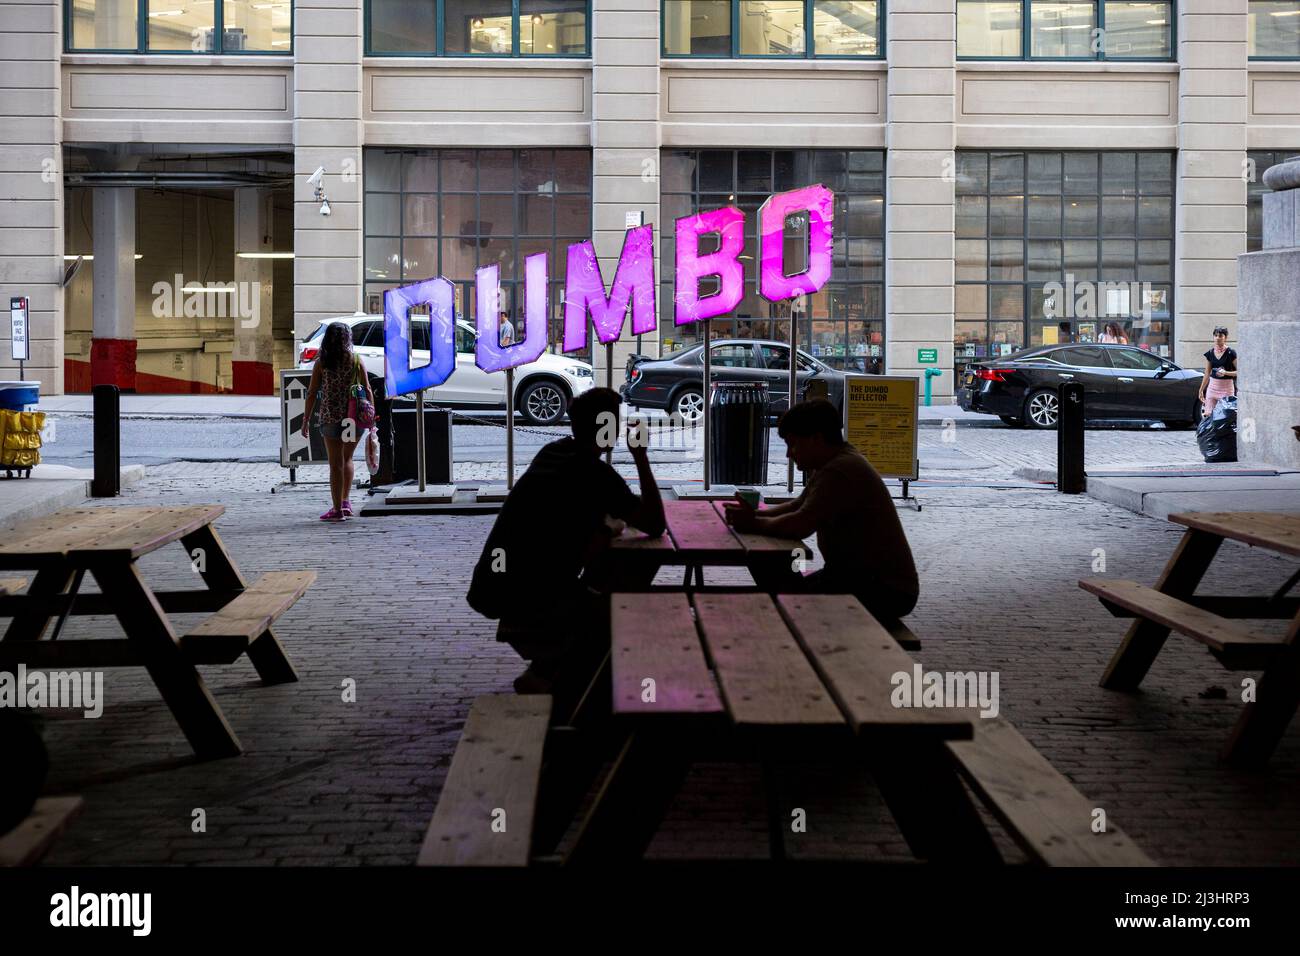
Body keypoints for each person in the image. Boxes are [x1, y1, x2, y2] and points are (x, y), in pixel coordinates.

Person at [467, 388, 666, 703]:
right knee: (622, 606)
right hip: (526, 599)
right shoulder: (595, 473)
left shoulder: (554, 452)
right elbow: (655, 523)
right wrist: (640, 456)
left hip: (497, 588)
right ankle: (573, 689)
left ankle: (547, 670)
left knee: (603, 570)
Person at [723, 399, 919, 624]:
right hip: (853, 578)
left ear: (816, 439)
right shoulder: (833, 462)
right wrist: (753, 516)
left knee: (787, 603)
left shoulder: (839, 470)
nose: (789, 454)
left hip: (883, 589)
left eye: (793, 444)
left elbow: (800, 524)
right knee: (783, 592)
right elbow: (797, 506)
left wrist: (752, 523)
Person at [301, 322, 374, 522]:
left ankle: (336, 509)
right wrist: (372, 418)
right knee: (347, 459)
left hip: (331, 419)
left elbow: (312, 393)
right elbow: (367, 389)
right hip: (354, 418)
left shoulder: (321, 362)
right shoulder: (357, 360)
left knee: (335, 465)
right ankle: (345, 501)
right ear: (347, 339)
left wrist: (306, 419)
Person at [1199, 325, 1238, 418]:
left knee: (1226, 417)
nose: (1217, 338)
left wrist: (1226, 372)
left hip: (1227, 389)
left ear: (1226, 338)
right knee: (1209, 416)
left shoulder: (1230, 353)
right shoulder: (1210, 353)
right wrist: (1201, 390)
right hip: (1212, 388)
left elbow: (1240, 371)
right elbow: (1207, 373)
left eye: (1220, 336)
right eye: (1216, 335)